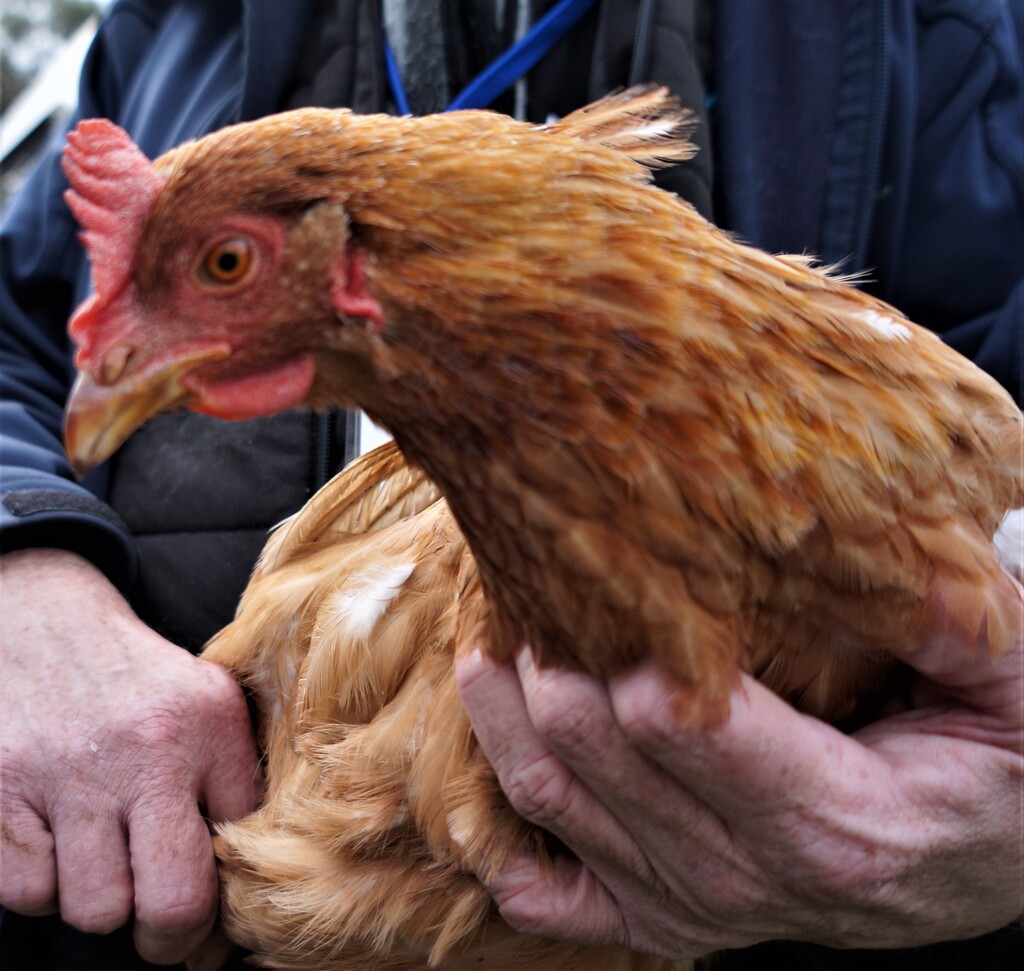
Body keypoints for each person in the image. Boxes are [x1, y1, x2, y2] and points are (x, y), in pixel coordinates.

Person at [1, 1, 1021, 970]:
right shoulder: (177, 21)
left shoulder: (951, 28)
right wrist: (24, 572)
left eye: (225, 264)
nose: (116, 361)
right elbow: (20, 331)